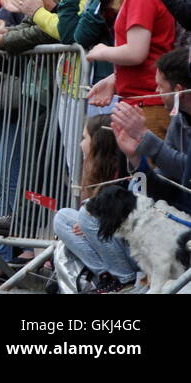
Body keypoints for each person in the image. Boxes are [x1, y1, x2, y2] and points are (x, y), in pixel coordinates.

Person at [86, 0, 178, 136]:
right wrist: (115, 80)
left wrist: (102, 51)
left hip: (147, 105)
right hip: (141, 102)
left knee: (145, 169)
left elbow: (137, 52)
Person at [51, 115, 140, 293]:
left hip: (131, 248)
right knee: (63, 217)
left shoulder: (122, 170)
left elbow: (123, 220)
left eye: (84, 138)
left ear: (98, 142)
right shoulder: (96, 168)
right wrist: (85, 224)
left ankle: (124, 279)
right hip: (111, 243)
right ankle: (106, 276)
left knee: (87, 212)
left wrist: (88, 221)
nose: (80, 144)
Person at [110, 49, 191, 214]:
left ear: (178, 90)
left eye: (160, 86)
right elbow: (162, 187)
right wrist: (136, 158)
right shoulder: (179, 119)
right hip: (177, 207)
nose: (156, 91)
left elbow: (186, 171)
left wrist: (145, 136)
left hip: (184, 212)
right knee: (66, 217)